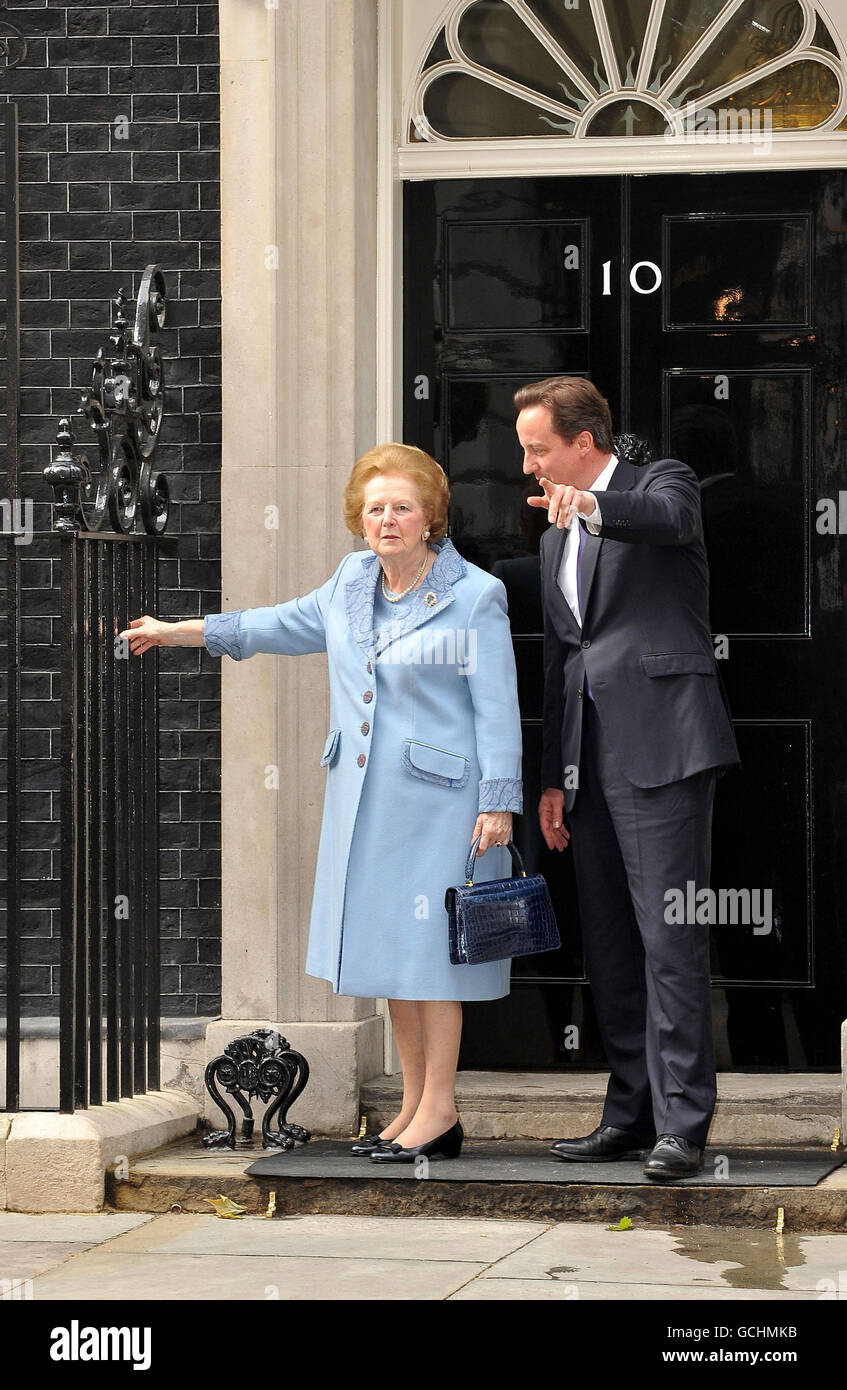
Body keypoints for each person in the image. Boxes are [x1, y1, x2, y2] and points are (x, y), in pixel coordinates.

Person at [120, 443, 523, 1165]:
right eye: (375, 509)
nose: (388, 520)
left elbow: (496, 708)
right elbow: (273, 624)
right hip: (365, 805)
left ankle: (441, 1109)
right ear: (358, 520)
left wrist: (499, 803)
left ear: (430, 515)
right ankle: (410, 1108)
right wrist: (176, 631)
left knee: (433, 959)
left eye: (402, 506)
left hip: (444, 804)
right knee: (392, 960)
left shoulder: (474, 595)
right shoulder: (348, 583)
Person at [517, 377, 740, 1181]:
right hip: (585, 761)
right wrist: (550, 777)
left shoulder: (660, 483)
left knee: (668, 939)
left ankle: (684, 1124)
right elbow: (560, 661)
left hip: (663, 748)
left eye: (538, 450)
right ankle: (629, 1113)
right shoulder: (550, 542)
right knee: (609, 945)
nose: (528, 466)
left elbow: (670, 523)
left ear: (584, 442)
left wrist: (590, 506)